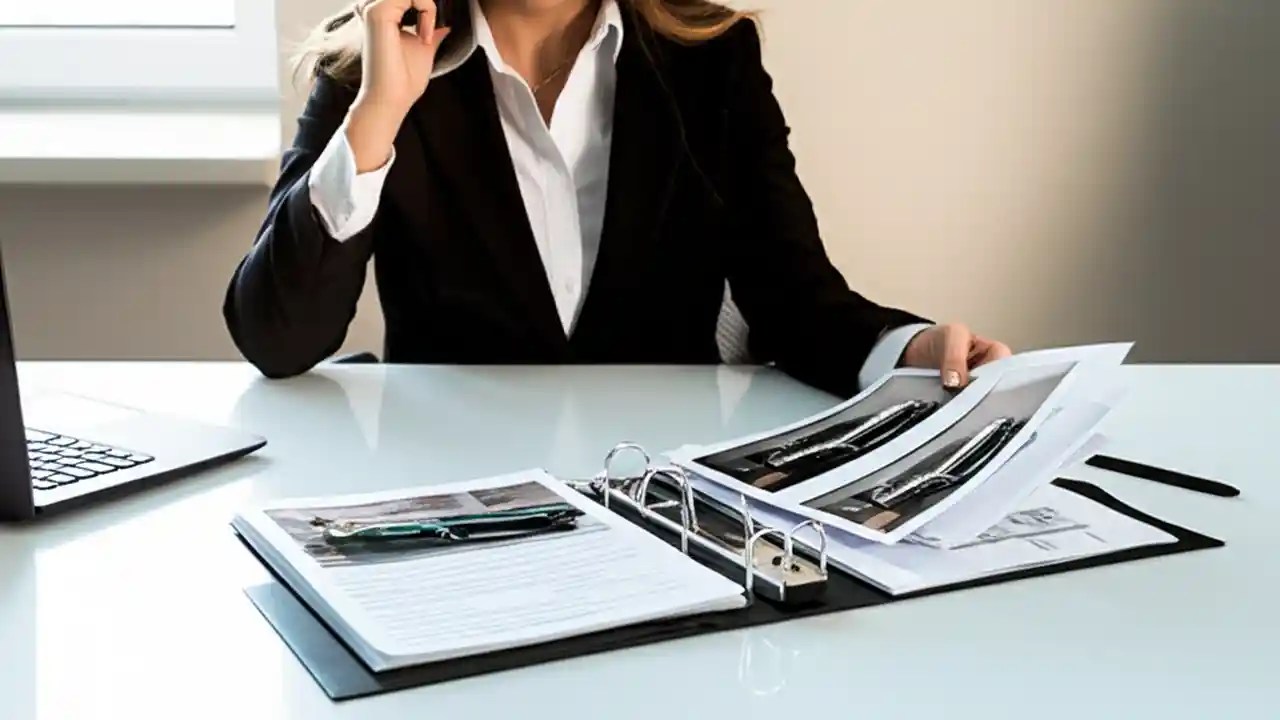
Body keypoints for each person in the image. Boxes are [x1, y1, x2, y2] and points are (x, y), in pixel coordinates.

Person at [223, 0, 1011, 397]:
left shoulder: (710, 55)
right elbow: (277, 339)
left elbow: (795, 298)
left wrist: (909, 352)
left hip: (662, 497)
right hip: (458, 505)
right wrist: (379, 115)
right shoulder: (374, 56)